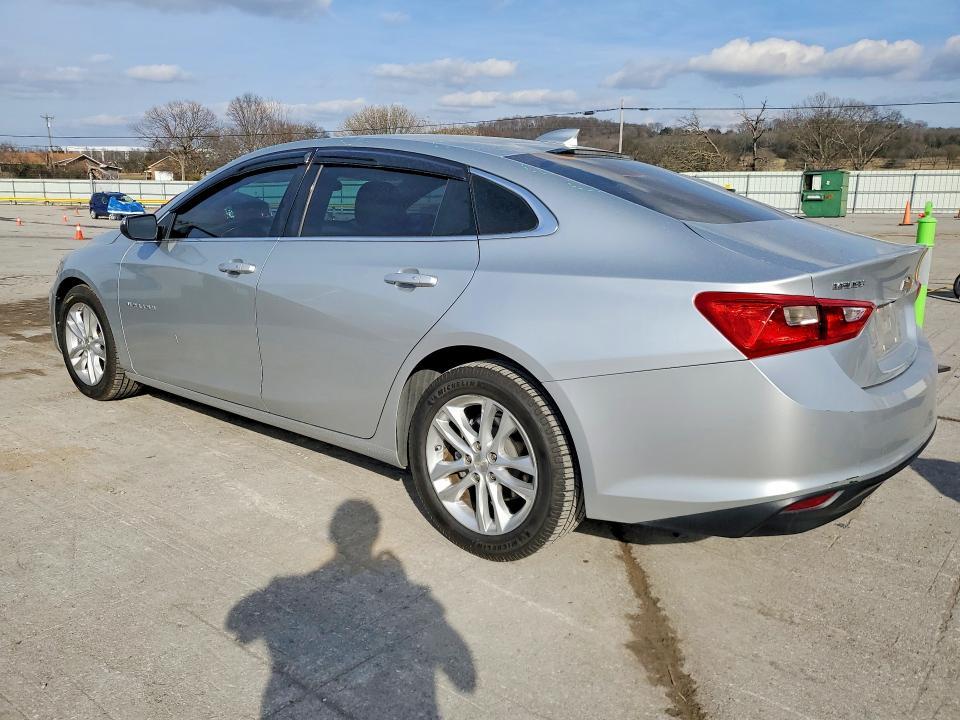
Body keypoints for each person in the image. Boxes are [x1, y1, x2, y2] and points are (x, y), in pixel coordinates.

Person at [226, 500, 476, 718]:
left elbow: (236, 622)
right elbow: (466, 680)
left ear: (333, 534)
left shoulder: (286, 587)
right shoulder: (420, 601)